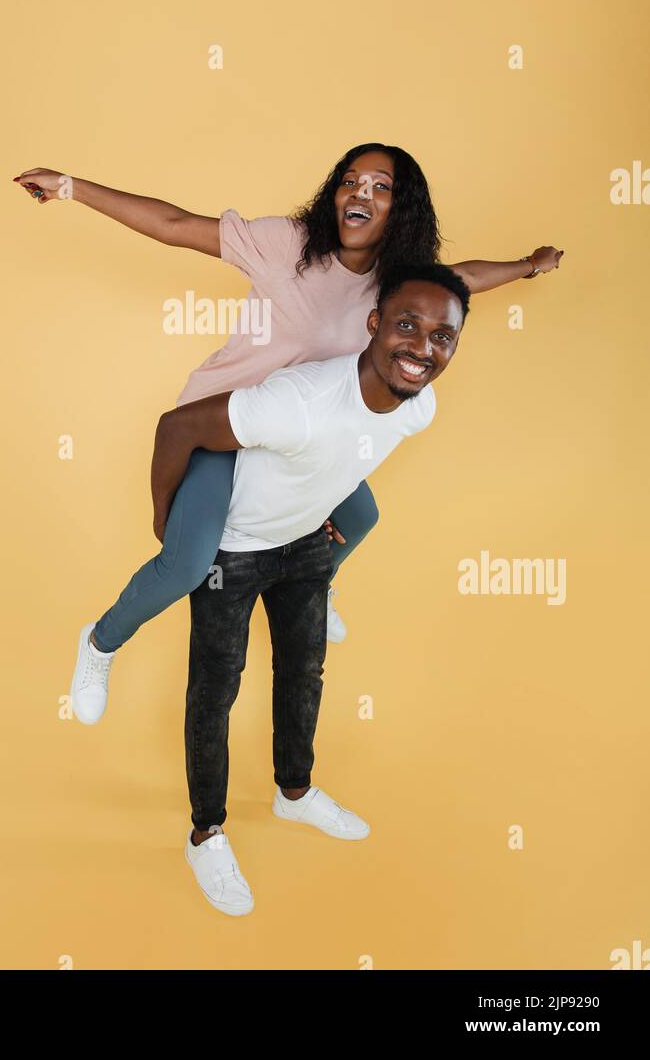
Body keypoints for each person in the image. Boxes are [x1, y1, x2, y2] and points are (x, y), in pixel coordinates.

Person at [11, 146, 562, 722]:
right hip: (225, 423)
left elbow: (465, 277)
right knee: (190, 564)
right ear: (334, 193)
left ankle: (317, 584)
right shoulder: (288, 247)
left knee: (360, 517)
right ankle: (100, 643)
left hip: (301, 433)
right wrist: (70, 187)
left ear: (403, 209)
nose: (360, 194)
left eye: (380, 187)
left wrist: (528, 264)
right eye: (350, 182)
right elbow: (174, 226)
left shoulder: (399, 283)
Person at [149, 263, 471, 914]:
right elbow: (177, 426)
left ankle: (293, 793)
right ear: (373, 324)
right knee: (215, 692)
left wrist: (525, 267)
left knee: (304, 671)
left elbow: (348, 458)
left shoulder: (419, 408)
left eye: (444, 335)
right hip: (233, 549)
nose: (423, 347)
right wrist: (168, 525)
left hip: (302, 549)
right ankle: (205, 833)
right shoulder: (295, 397)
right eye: (407, 325)